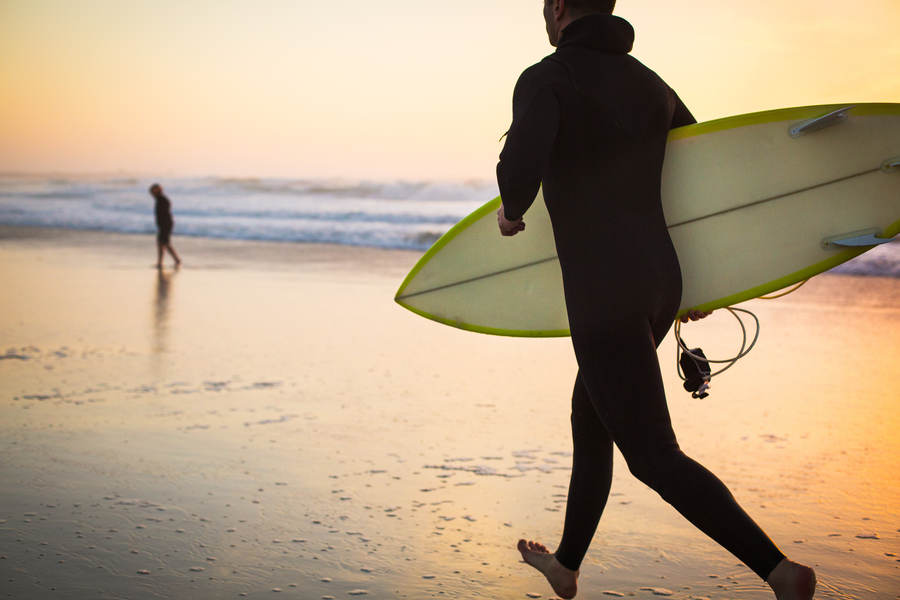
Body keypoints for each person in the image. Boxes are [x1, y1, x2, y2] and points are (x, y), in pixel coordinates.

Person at [495, 2, 816, 599]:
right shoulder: (653, 85)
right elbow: (701, 180)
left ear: (560, 7)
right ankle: (566, 564)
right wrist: (703, 281)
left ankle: (779, 572)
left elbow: (519, 172)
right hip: (659, 284)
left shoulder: (547, 77)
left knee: (653, 456)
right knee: (592, 414)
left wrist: (511, 212)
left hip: (604, 292)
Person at [149, 183, 181, 269]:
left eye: (153, 191)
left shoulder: (162, 200)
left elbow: (165, 213)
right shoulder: (160, 199)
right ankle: (175, 260)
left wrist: (162, 224)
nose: (151, 194)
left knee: (163, 243)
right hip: (164, 224)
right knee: (164, 243)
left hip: (166, 224)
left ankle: (163, 262)